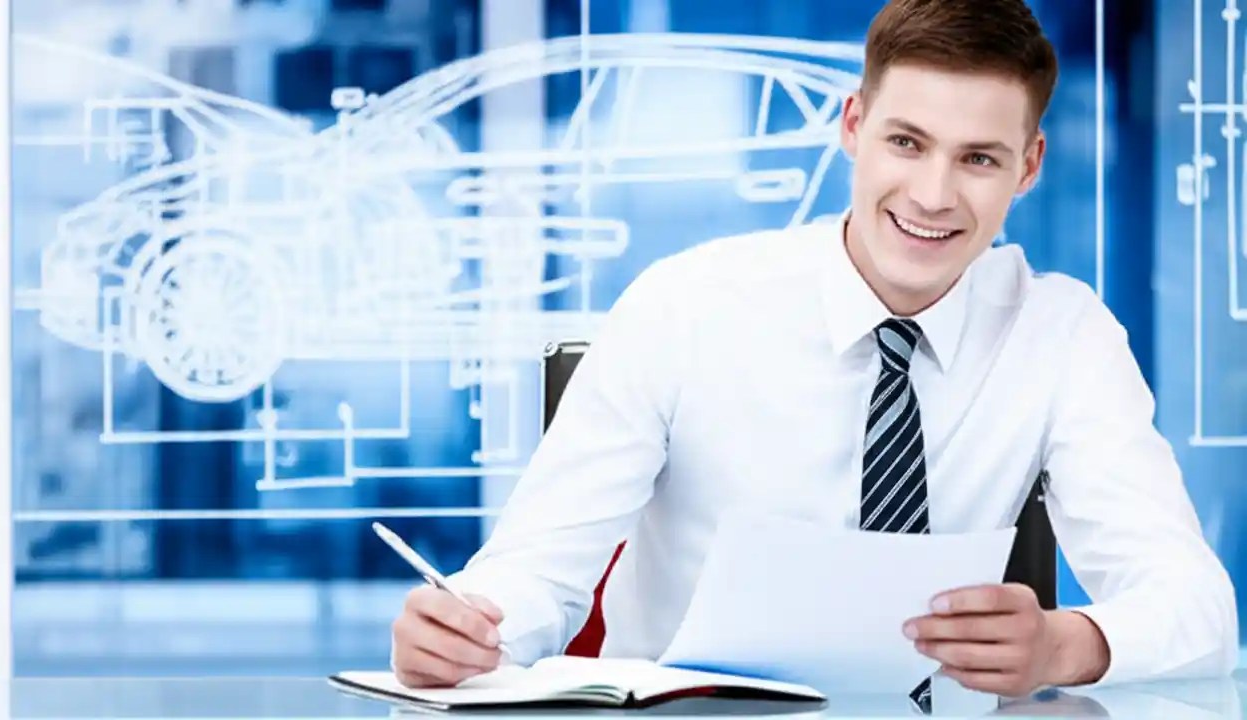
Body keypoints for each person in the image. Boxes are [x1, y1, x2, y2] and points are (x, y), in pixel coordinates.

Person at [390, 0, 1239, 699]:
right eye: (906, 142)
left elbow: (1199, 609)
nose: (933, 195)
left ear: (1028, 168)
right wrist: (467, 628)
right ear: (854, 125)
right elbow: (537, 573)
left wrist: (1067, 643)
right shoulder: (683, 307)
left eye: (979, 158)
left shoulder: (1063, 335)